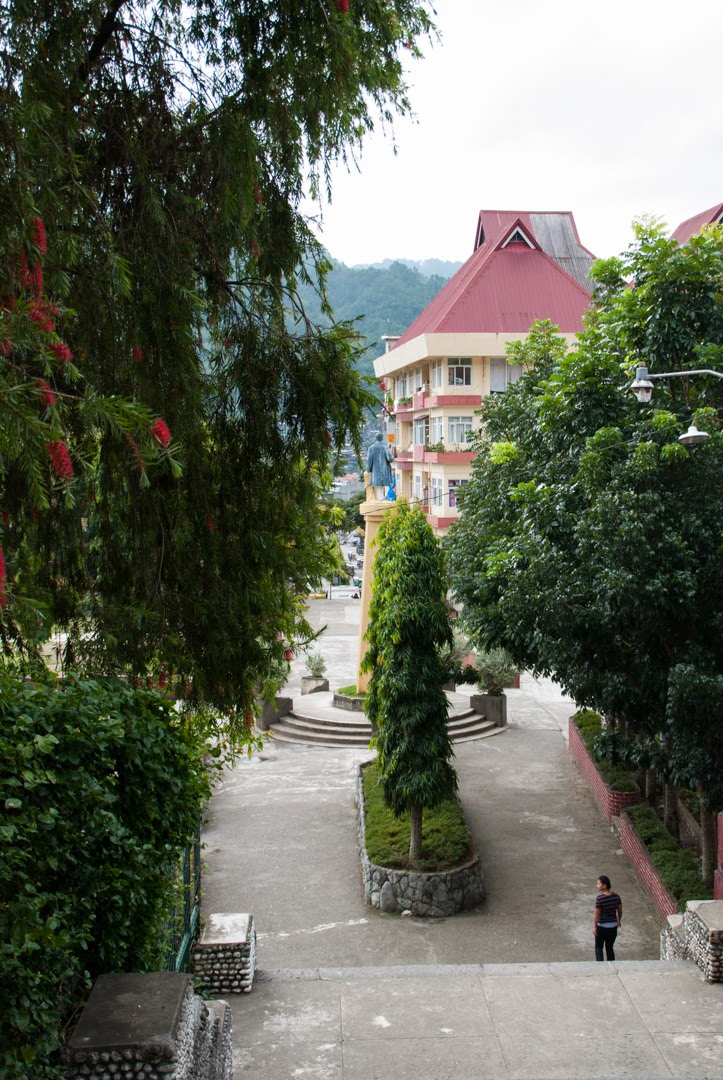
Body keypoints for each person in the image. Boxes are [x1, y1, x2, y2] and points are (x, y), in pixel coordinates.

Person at [593, 875, 622, 961]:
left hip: (601, 927)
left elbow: (597, 914)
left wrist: (594, 926)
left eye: (598, 884)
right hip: (612, 927)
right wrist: (618, 921)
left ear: (604, 885)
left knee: (598, 947)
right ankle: (612, 964)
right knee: (609, 948)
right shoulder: (616, 896)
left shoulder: (600, 898)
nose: (597, 885)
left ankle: (600, 966)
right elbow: (620, 910)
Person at [366, 432, 393, 500]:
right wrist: (393, 457)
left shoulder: (371, 448)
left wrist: (368, 469)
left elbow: (369, 460)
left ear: (376, 438)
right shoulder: (385, 447)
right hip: (385, 471)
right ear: (382, 438)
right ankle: (386, 498)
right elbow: (390, 458)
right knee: (386, 486)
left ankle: (380, 498)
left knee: (378, 487)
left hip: (375, 471)